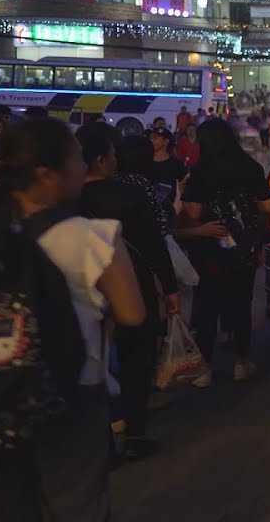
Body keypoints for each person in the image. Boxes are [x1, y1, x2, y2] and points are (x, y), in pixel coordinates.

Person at [0, 117, 146, 522]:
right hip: (73, 389)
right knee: (77, 503)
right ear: (46, 173)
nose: (83, 166)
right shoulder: (93, 236)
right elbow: (133, 313)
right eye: (76, 158)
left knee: (15, 506)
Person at [76, 123, 178, 462]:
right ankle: (134, 434)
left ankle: (104, 440)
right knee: (136, 359)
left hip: (85, 289)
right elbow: (155, 245)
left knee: (93, 361)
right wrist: (170, 287)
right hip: (132, 284)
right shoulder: (130, 194)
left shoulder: (68, 201)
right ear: (101, 160)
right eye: (112, 155)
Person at [180, 118, 270, 386]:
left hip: (210, 246)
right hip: (243, 249)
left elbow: (193, 212)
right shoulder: (249, 166)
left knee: (207, 305)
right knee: (241, 304)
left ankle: (205, 368)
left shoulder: (200, 171)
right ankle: (241, 363)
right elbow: (267, 207)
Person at [147, 127, 186, 219]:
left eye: (155, 138)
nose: (151, 141)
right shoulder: (145, 162)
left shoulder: (176, 164)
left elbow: (183, 187)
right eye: (151, 138)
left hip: (170, 211)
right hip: (147, 210)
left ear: (166, 141)